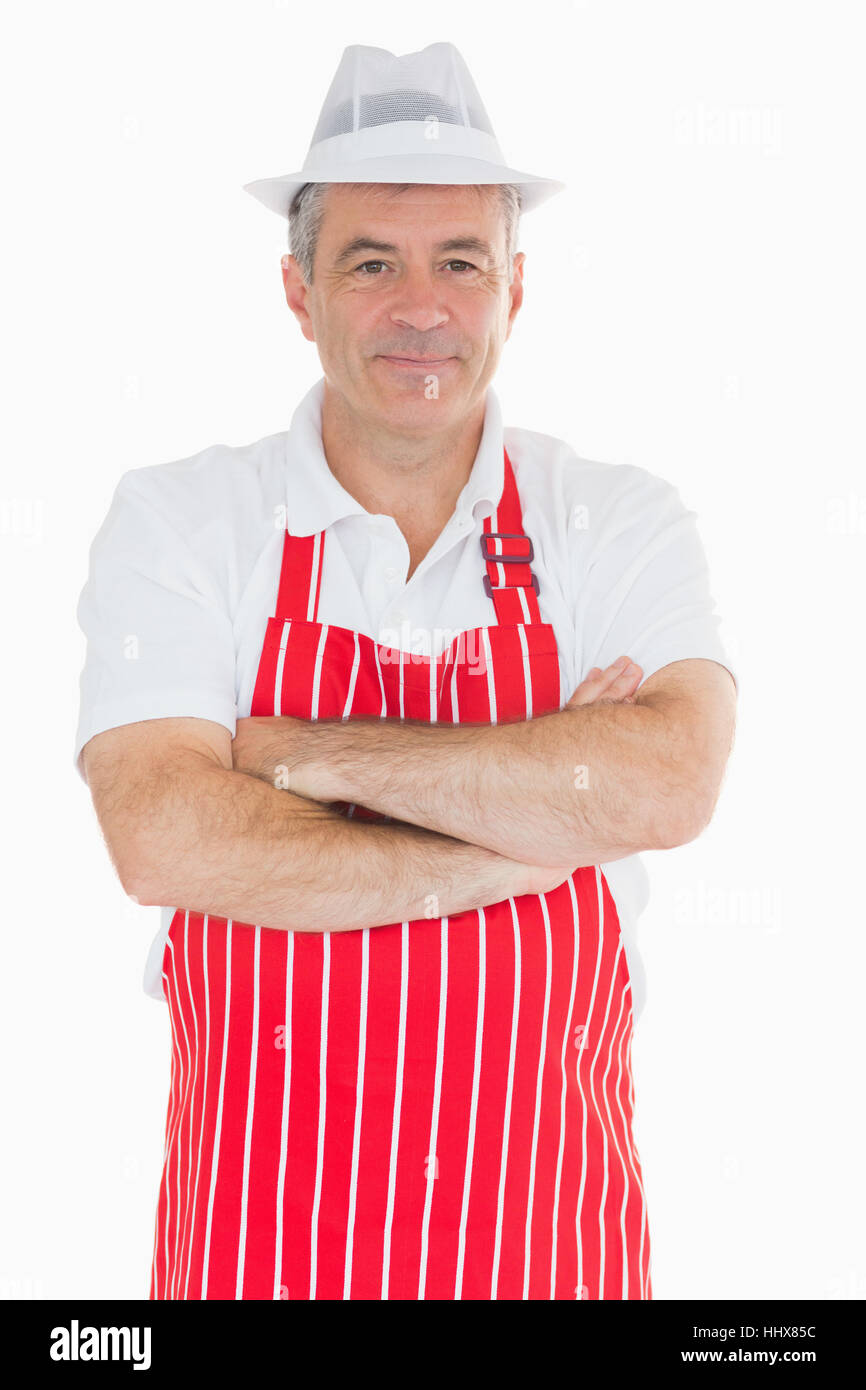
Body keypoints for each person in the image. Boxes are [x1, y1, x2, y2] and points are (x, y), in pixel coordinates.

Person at [74, 42, 737, 1301]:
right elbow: (162, 835)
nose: (419, 309)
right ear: (296, 288)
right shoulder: (184, 521)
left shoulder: (617, 519)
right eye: (371, 262)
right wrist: (534, 831)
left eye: (459, 264)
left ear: (515, 289)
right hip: (256, 1257)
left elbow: (665, 782)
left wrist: (301, 758)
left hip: (549, 1251)